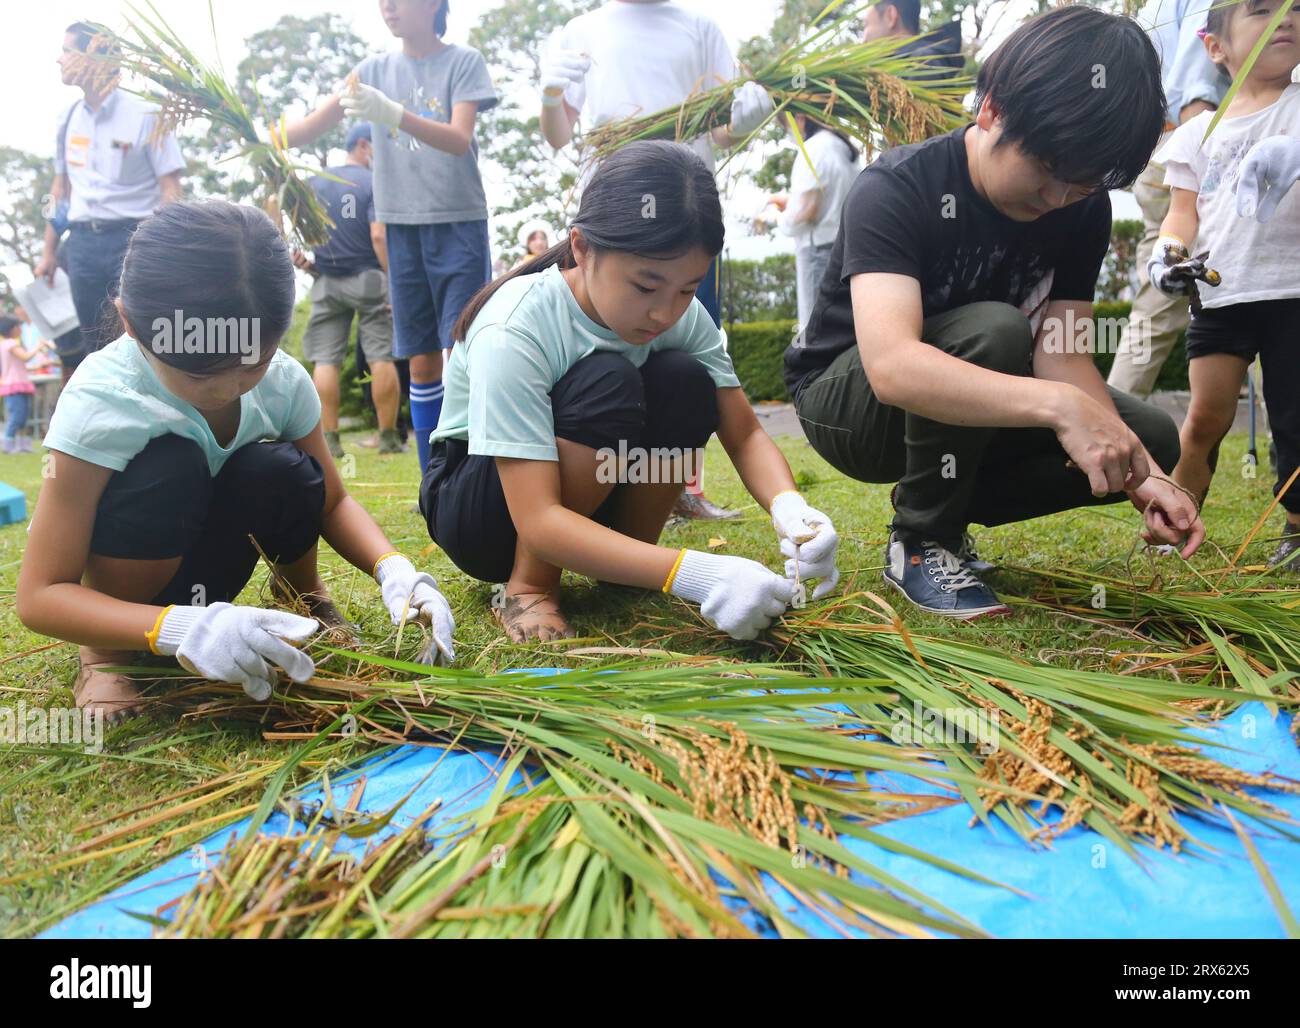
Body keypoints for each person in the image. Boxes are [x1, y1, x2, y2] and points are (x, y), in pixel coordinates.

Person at [783, 5, 1204, 620]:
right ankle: (922, 544)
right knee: (995, 329)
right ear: (993, 110)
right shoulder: (898, 187)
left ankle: (941, 492)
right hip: (848, 406)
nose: (1058, 199)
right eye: (1049, 172)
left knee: (1147, 437)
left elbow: (1062, 357)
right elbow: (893, 367)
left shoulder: (1079, 212)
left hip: (964, 392)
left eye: (1083, 187)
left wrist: (1142, 475)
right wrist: (1062, 408)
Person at [15, 201, 455, 723]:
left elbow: (331, 500)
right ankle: (105, 655)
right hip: (131, 583)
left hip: (212, 568)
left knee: (283, 468)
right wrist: (179, 629)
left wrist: (393, 569)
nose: (228, 389)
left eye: (253, 366)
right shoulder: (103, 400)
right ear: (132, 325)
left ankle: (304, 597)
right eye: (200, 377)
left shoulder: (285, 381)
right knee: (167, 466)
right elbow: (40, 594)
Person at [421, 142, 840, 644]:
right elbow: (535, 519)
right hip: (485, 509)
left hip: (587, 491)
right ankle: (529, 586)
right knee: (607, 380)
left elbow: (745, 433)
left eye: (688, 288)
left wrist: (791, 507)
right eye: (645, 287)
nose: (665, 312)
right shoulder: (516, 326)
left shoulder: (683, 319)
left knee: (686, 380)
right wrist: (698, 573)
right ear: (581, 248)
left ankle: (626, 563)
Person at [539, 0, 775, 522]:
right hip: (617, 223)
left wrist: (745, 122)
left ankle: (676, 489)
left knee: (686, 355)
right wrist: (551, 96)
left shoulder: (700, 28)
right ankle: (597, 491)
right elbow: (558, 136)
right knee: (603, 358)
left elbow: (721, 129)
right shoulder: (584, 29)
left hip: (684, 223)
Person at [280, 0, 498, 477]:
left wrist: (394, 113)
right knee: (419, 360)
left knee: (462, 353)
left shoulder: (463, 62)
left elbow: (460, 138)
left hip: (456, 220)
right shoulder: (372, 70)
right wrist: (265, 134)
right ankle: (434, 480)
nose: (389, 6)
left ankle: (474, 475)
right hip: (401, 226)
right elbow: (311, 126)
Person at [1152, 1, 1300, 567]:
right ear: (1216, 47)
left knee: (1294, 418)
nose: (1284, 19)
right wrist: (1168, 254)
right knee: (1205, 419)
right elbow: (1182, 213)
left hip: (1292, 294)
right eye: (1261, 11)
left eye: (1292, 9)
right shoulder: (1198, 130)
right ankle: (1178, 521)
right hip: (1219, 294)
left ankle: (1296, 528)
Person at [34, 21, 184, 364]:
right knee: (93, 346)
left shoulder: (147, 112)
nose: (59, 60)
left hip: (132, 239)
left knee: (140, 338)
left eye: (67, 51)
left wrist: (162, 245)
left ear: (97, 56)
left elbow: (170, 187)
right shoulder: (67, 119)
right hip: (83, 245)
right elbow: (58, 190)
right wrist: (48, 250)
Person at [1107, 0, 1225, 398]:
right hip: (1195, 147)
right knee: (1246, 289)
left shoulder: (1156, 7)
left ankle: (1112, 411)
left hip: (1157, 147)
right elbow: (1199, 87)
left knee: (1156, 306)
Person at [294, 124, 403, 458]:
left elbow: (302, 230)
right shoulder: (373, 182)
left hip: (327, 279)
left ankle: (330, 441)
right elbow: (379, 236)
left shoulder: (315, 181)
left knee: (326, 361)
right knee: (381, 356)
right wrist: (393, 282)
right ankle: (388, 438)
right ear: (363, 145)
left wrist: (308, 261)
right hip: (370, 277)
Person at [759, 115, 859, 327]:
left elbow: (807, 212)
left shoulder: (813, 148)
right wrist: (791, 202)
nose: (789, 132)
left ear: (799, 118)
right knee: (842, 327)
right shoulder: (842, 146)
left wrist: (777, 218)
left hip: (819, 253)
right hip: (846, 248)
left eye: (786, 125)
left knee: (816, 329)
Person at [1, 315, 50, 454]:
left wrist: (39, 365)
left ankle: (23, 447)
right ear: (11, 329)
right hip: (15, 386)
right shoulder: (11, 344)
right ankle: (8, 446)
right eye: (18, 326)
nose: (20, 328)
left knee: (22, 417)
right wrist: (39, 346)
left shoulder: (6, 344)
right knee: (17, 417)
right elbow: (26, 357)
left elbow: (18, 365)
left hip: (18, 384)